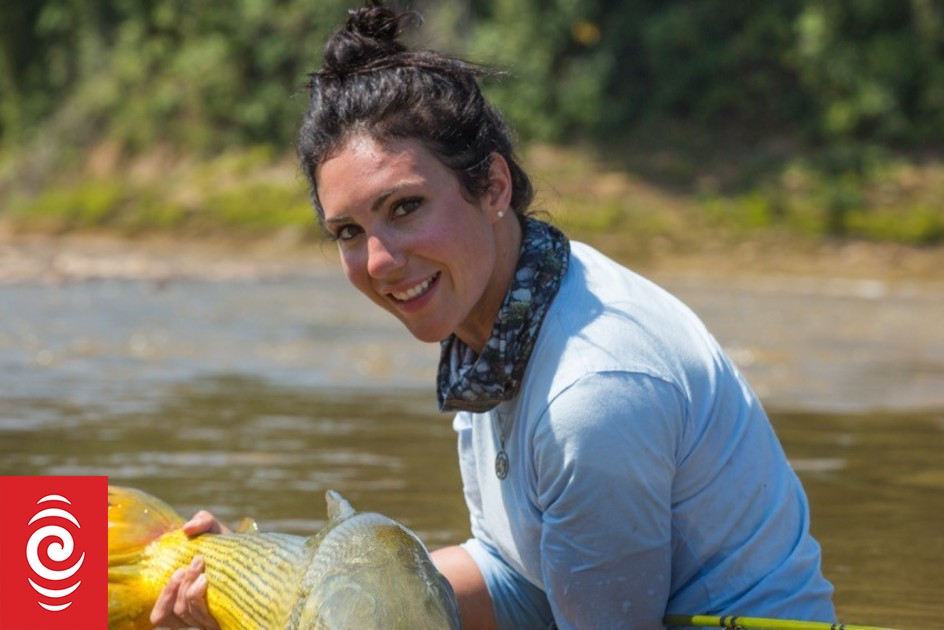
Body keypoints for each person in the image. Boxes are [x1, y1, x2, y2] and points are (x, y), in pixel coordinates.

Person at [150, 4, 836, 629]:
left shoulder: (589, 396)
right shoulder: (504, 314)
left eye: (406, 207)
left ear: (493, 186)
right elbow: (521, 579)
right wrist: (273, 584)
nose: (381, 260)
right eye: (349, 232)